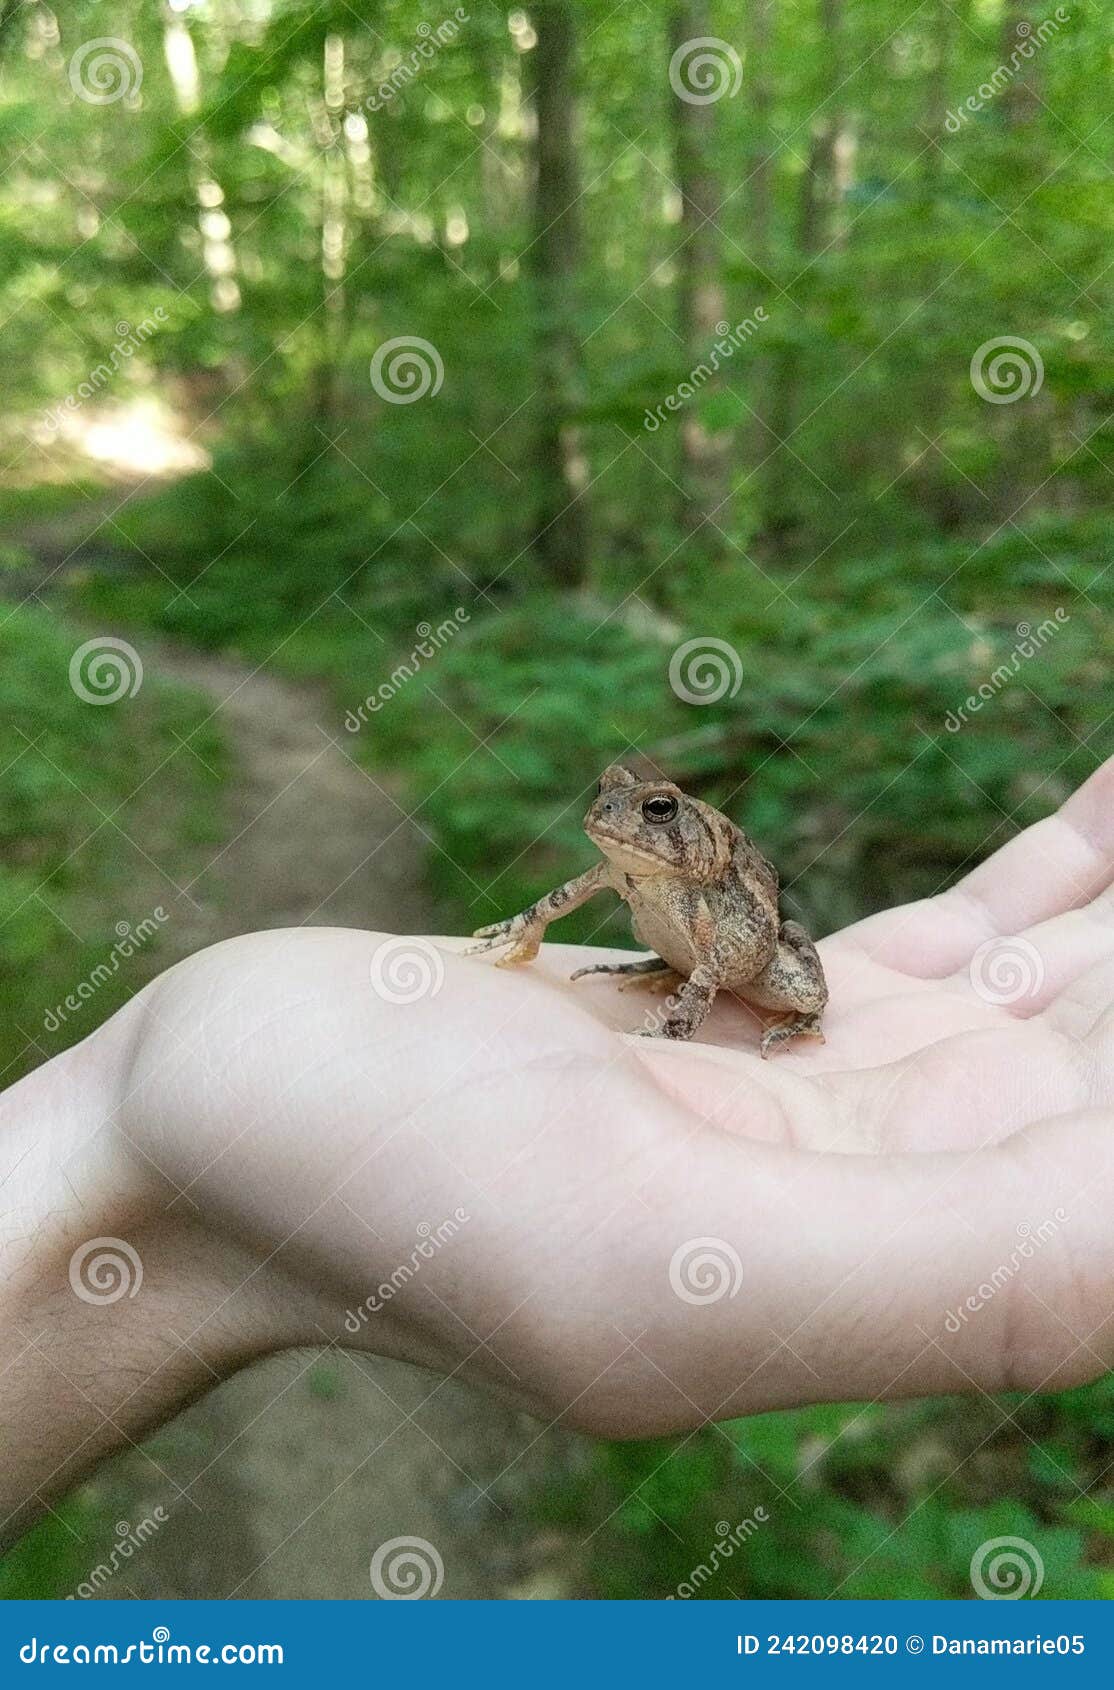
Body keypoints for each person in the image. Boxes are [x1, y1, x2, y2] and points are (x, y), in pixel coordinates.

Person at [1, 756, 1111, 1551]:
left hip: (743, 944)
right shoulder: (629, 867)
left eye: (655, 811)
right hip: (681, 935)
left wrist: (691, 1017)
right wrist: (518, 936)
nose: (623, 820)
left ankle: (776, 1013)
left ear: (691, 831)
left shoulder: (710, 877)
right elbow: (574, 889)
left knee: (793, 980)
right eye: (618, 802)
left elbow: (725, 955)